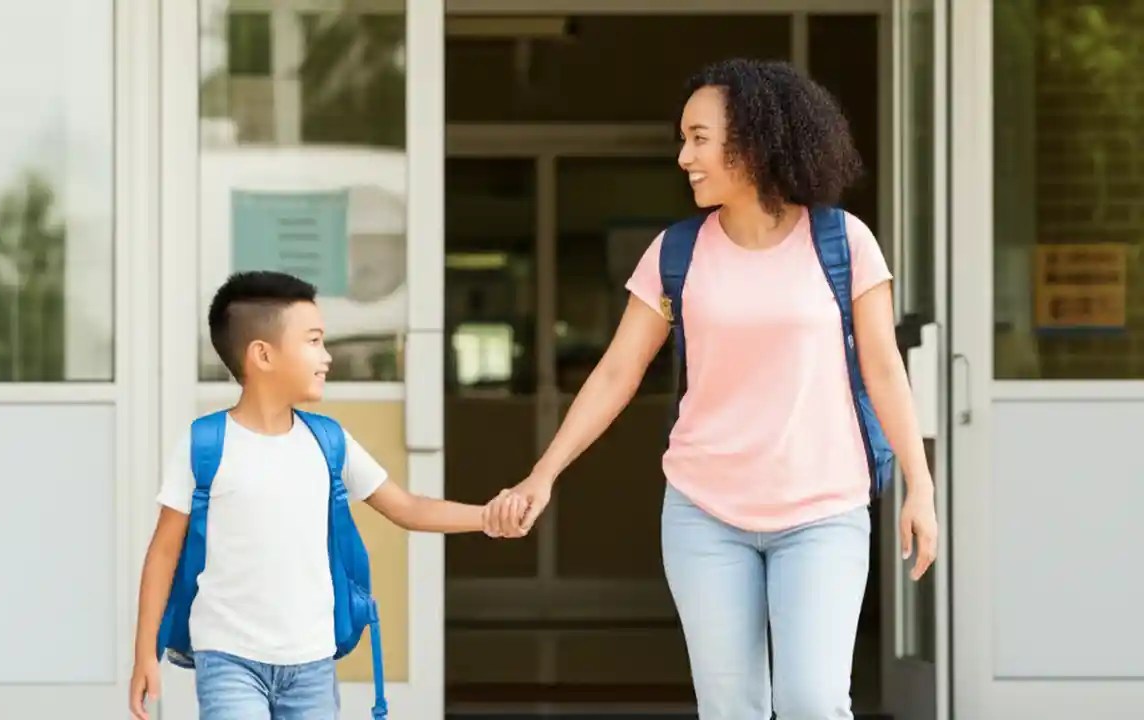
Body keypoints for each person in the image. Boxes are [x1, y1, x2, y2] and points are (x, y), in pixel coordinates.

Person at [485, 59, 939, 719]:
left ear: (753, 141)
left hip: (822, 510)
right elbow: (616, 372)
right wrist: (543, 474)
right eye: (683, 138)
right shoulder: (677, 253)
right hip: (705, 514)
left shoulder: (843, 243)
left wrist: (919, 486)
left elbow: (883, 367)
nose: (683, 157)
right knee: (731, 708)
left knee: (813, 701)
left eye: (699, 138)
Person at [129, 271, 495, 720]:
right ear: (262, 355)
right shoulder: (205, 444)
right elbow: (164, 552)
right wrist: (145, 653)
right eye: (314, 341)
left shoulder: (328, 442)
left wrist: (488, 517)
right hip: (227, 659)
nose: (327, 357)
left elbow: (408, 508)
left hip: (312, 665)